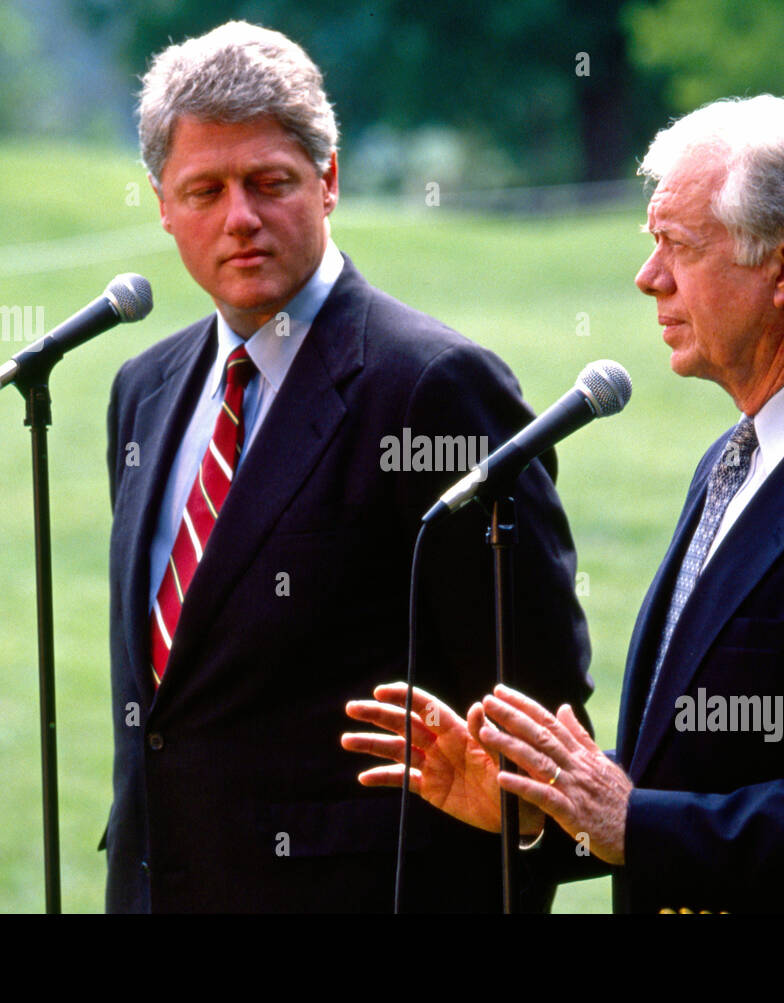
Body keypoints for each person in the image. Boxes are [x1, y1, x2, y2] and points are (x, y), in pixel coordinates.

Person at [344, 95, 784, 913]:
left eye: (677, 245)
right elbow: (703, 766)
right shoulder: (740, 454)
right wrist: (540, 809)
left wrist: (627, 820)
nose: (647, 276)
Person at [103, 21, 592, 913]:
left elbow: (540, 711)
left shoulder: (438, 389)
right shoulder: (144, 388)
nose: (239, 218)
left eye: (270, 182)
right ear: (163, 204)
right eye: (204, 190)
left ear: (328, 183)